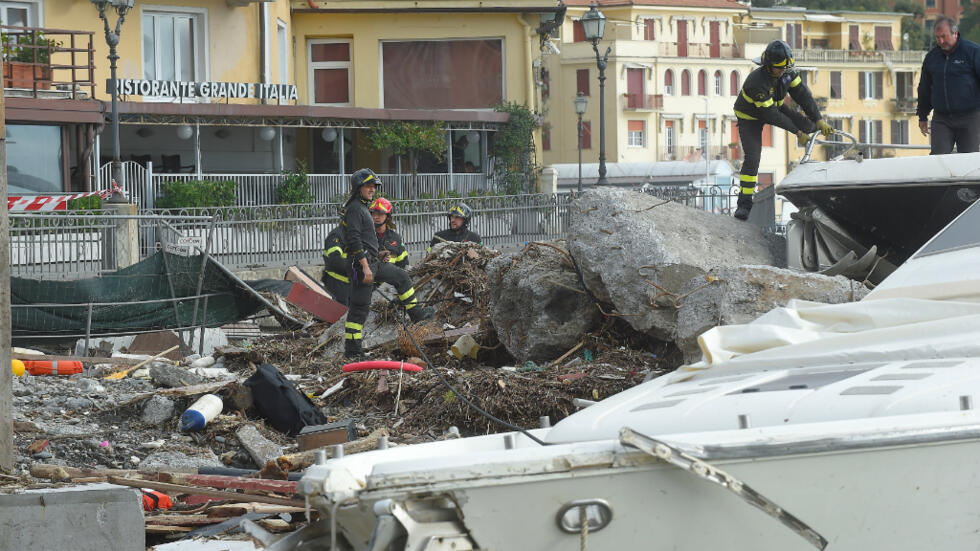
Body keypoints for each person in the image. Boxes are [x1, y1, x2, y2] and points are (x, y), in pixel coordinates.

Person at [732, 39, 834, 220]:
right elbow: (771, 115)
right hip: (750, 117)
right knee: (753, 158)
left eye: (785, 68)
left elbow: (802, 95)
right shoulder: (756, 82)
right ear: (768, 65)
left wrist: (819, 121)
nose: (782, 72)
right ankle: (744, 205)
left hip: (774, 106)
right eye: (779, 68)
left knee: (808, 125)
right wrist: (798, 133)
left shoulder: (787, 72)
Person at [342, 168, 433, 359]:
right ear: (358, 187)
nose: (372, 189)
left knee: (402, 276)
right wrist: (365, 266)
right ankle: (352, 351)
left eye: (374, 186)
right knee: (359, 309)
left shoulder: (362, 207)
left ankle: (417, 315)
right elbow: (354, 240)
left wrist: (378, 254)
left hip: (373, 261)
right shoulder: (355, 209)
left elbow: (365, 240)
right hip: (362, 265)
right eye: (368, 186)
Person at [916, 16, 980, 155]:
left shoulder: (973, 52)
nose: (940, 41)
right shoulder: (931, 58)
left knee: (968, 160)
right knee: (938, 159)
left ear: (955, 33)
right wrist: (922, 116)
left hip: (970, 118)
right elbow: (924, 88)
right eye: (937, 37)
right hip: (942, 119)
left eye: (944, 36)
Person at [369, 197, 410, 269]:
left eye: (380, 214)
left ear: (388, 217)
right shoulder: (365, 236)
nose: (375, 217)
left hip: (391, 275)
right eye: (373, 214)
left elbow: (403, 265)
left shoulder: (396, 238)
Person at [320, 224, 350, 306]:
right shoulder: (337, 235)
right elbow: (336, 262)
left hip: (354, 286)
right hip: (337, 285)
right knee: (339, 311)